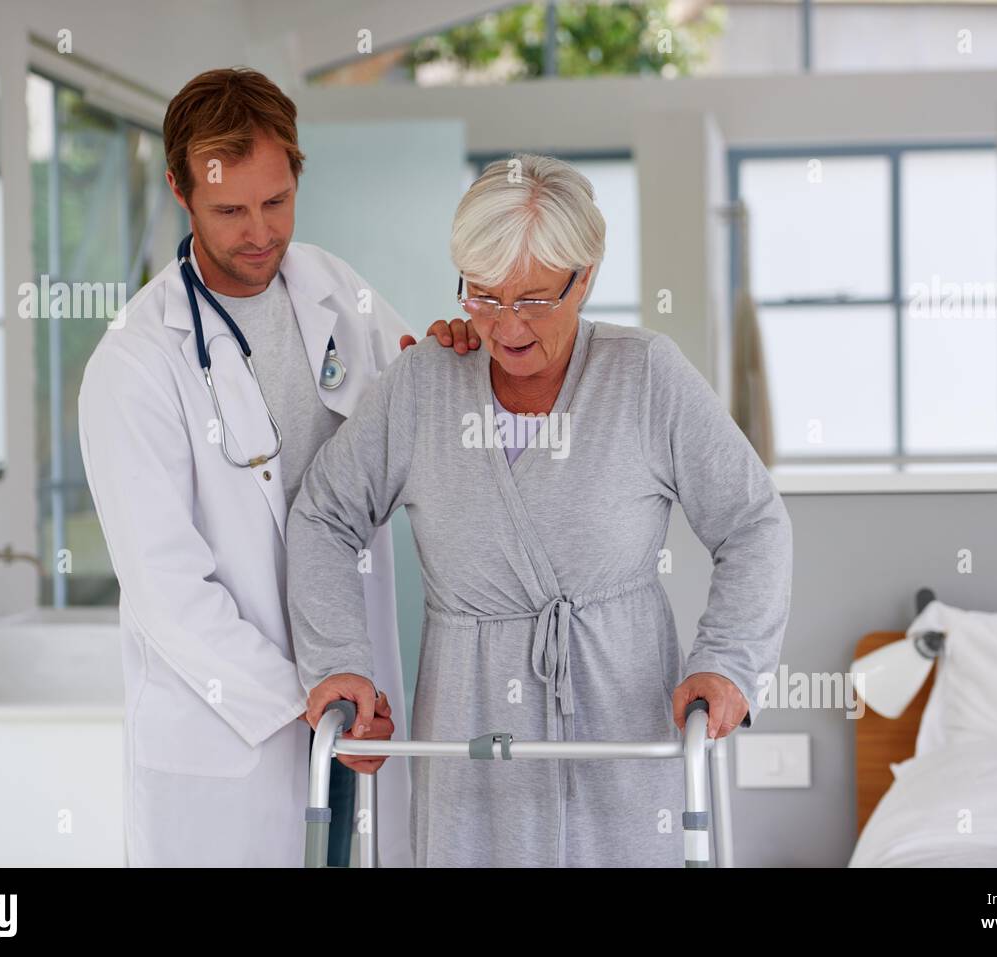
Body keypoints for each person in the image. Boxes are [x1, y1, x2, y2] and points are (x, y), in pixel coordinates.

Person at [287, 154, 793, 867]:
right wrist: (339, 662)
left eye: (532, 300)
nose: (506, 327)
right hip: (467, 726)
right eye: (484, 297)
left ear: (585, 277)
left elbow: (754, 522)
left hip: (624, 722)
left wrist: (729, 662)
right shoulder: (423, 384)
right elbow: (323, 518)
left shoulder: (645, 375)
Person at [78, 67, 474, 867]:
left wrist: (454, 360)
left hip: (351, 707)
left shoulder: (333, 288)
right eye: (229, 209)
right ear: (181, 194)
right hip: (239, 728)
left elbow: (417, 412)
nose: (259, 232)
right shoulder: (136, 361)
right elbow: (167, 591)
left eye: (276, 201)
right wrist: (307, 693)